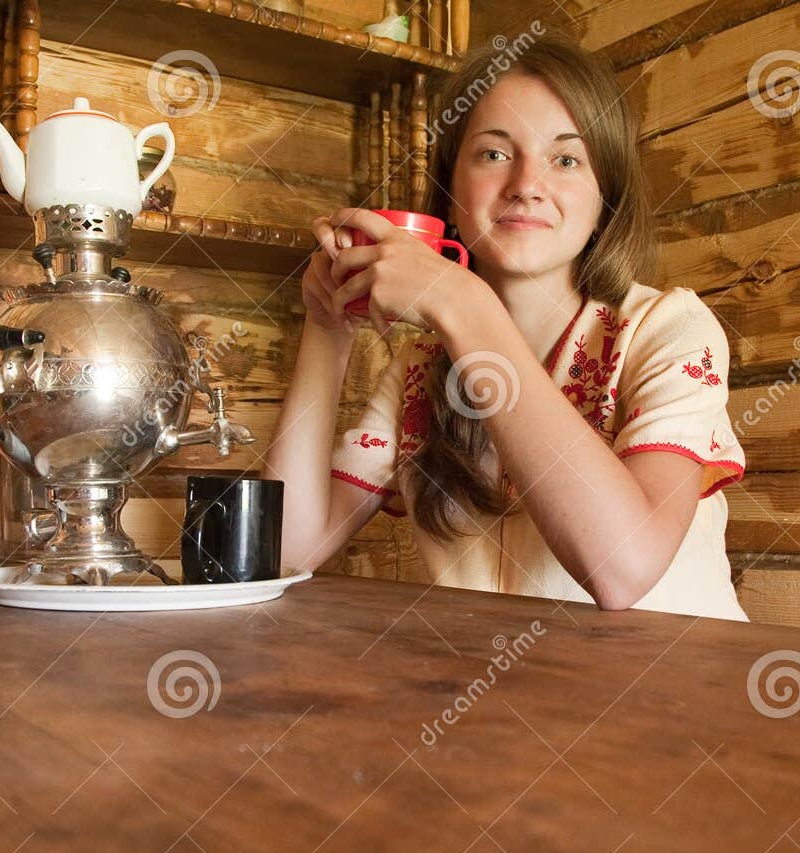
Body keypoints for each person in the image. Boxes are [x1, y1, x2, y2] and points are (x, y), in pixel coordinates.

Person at [263, 36, 748, 621]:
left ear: (606, 197)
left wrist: (461, 301)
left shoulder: (668, 329)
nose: (525, 183)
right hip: (491, 705)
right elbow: (287, 550)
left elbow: (624, 569)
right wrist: (326, 325)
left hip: (669, 701)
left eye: (566, 159)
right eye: (494, 153)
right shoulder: (419, 369)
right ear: (450, 189)